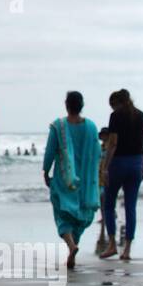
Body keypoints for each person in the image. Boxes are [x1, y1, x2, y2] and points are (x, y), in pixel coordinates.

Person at [43, 91, 100, 269]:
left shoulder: (58, 126)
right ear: (81, 105)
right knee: (79, 215)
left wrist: (45, 171)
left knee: (62, 213)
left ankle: (71, 246)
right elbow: (97, 152)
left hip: (64, 179)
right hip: (85, 180)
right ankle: (72, 250)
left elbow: (50, 151)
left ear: (66, 105)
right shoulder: (91, 127)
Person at [100, 89, 143, 260]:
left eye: (112, 105)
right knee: (130, 207)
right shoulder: (141, 116)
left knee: (108, 203)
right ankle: (127, 250)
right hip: (136, 164)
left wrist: (105, 167)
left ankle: (112, 244)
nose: (112, 109)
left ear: (117, 103)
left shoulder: (116, 116)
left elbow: (112, 143)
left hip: (118, 163)